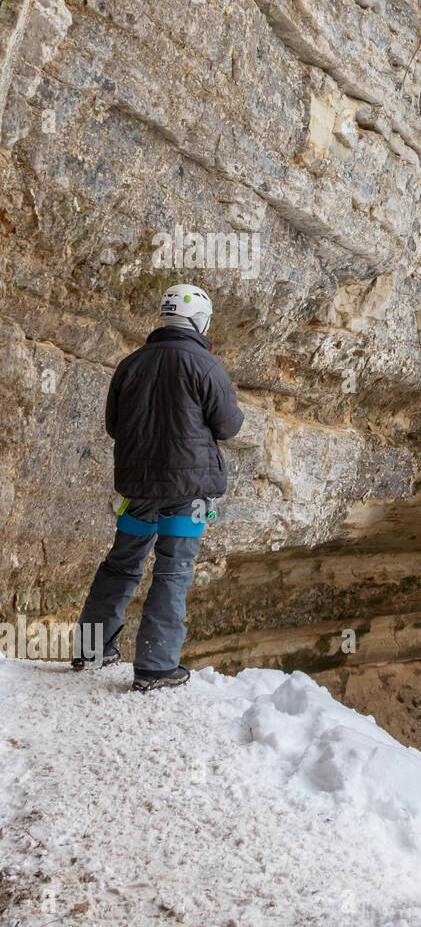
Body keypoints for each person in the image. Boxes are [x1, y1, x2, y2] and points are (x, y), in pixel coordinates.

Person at [73, 285, 243, 692]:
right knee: (174, 569)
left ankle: (92, 650)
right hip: (189, 491)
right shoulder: (205, 365)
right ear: (200, 320)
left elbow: (114, 426)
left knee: (121, 564)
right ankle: (155, 666)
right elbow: (229, 426)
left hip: (139, 489)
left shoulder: (131, 363)